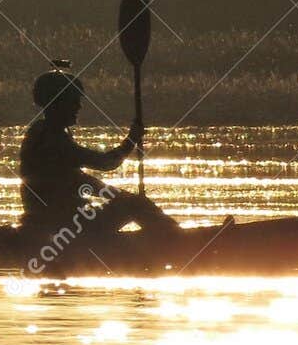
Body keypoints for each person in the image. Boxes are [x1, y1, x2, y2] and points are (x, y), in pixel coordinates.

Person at [18, 60, 180, 237]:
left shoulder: (41, 133)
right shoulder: (52, 140)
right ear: (59, 104)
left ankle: (166, 235)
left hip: (60, 222)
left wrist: (117, 195)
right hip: (68, 228)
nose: (78, 107)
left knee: (130, 201)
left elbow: (78, 180)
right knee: (135, 204)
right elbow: (106, 163)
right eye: (74, 102)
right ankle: (174, 239)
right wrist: (131, 140)